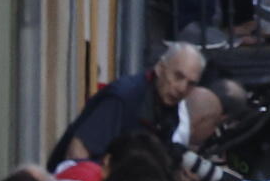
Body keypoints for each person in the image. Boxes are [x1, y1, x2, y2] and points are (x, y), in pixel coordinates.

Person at [52, 41, 206, 163]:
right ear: (160, 68)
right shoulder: (125, 96)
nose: (182, 88)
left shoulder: (169, 108)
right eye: (178, 76)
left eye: (191, 83)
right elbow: (78, 152)